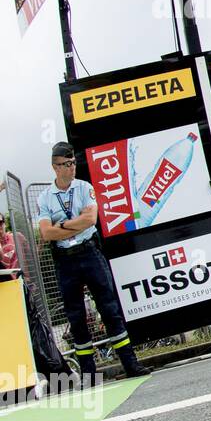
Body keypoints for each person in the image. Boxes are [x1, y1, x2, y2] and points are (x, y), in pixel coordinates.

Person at [36, 142, 149, 380]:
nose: (72, 167)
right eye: (66, 164)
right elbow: (46, 233)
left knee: (109, 307)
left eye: (73, 162)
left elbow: (90, 219)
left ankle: (130, 364)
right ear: (55, 167)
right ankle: (88, 374)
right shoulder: (45, 197)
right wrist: (69, 227)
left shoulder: (84, 187)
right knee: (76, 316)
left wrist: (63, 226)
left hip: (89, 253)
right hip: (65, 260)